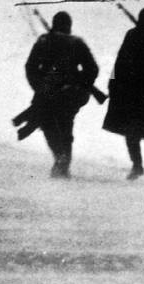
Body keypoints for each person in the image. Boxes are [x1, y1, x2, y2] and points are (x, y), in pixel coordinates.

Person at [24, 11, 99, 179]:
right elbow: (93, 69)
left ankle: (59, 157)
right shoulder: (77, 43)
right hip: (71, 94)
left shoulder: (44, 41)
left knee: (48, 126)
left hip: (46, 94)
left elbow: (30, 67)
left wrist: (39, 86)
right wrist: (81, 84)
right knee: (66, 127)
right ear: (69, 26)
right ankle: (63, 163)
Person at [102, 6, 144, 181]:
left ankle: (137, 165)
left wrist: (112, 83)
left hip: (132, 92)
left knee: (132, 131)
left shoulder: (132, 34)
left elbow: (120, 61)